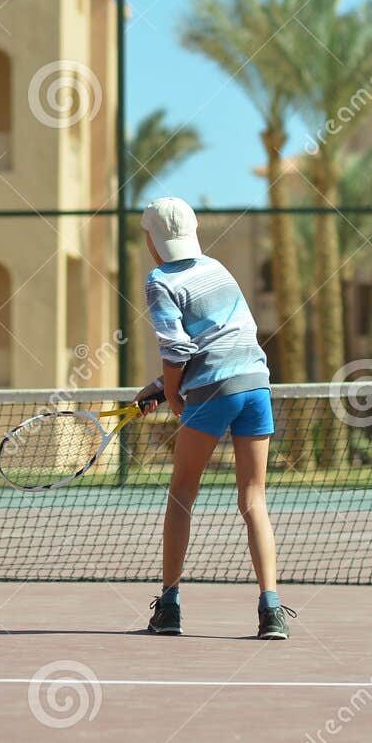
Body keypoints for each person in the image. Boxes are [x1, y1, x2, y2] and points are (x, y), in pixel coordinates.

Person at [137, 198, 294, 640]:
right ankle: (272, 611)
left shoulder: (159, 280)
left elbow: (178, 349)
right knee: (254, 500)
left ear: (152, 239)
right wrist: (162, 385)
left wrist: (169, 392)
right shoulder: (218, 269)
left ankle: (168, 607)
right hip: (257, 383)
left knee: (182, 494)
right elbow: (221, 340)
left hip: (213, 391)